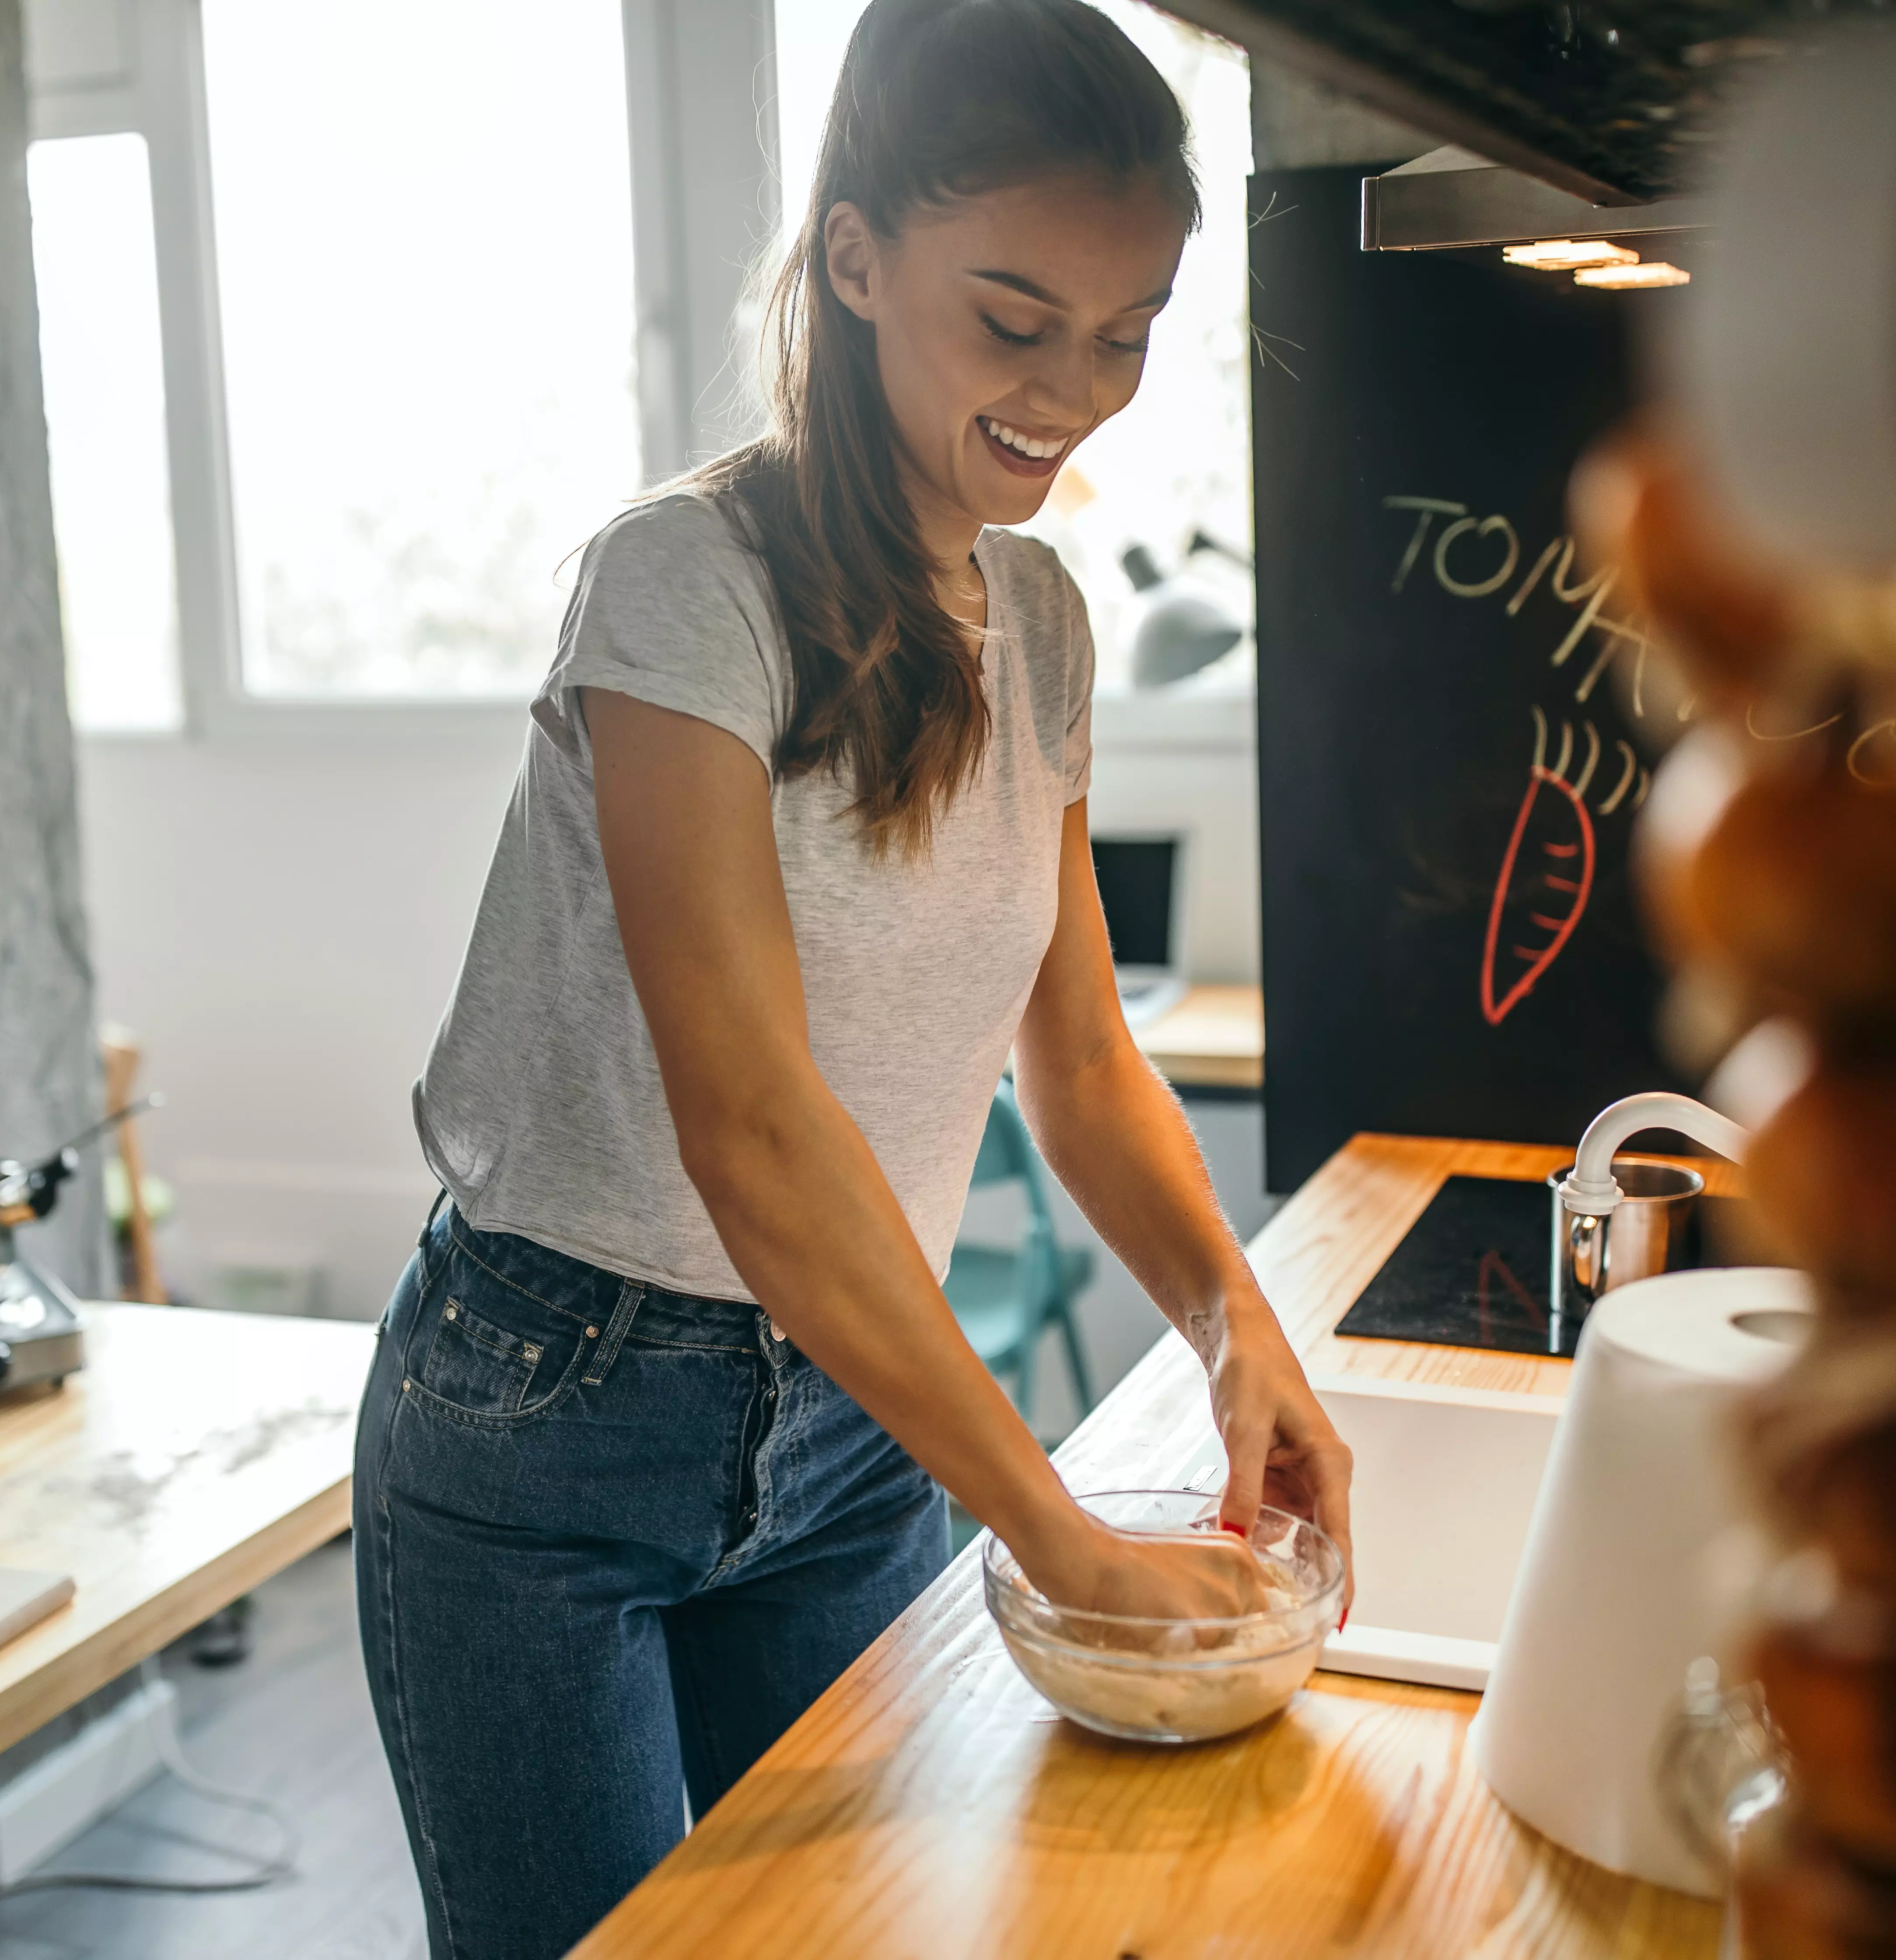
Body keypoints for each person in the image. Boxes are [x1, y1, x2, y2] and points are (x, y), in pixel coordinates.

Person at [354, 3, 1353, 1953]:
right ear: (855, 258)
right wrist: (1057, 1533)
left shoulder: (1045, 624)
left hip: (855, 1429)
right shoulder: (679, 585)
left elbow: (1080, 1059)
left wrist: (1239, 1329)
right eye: (1014, 315)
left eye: (1129, 327)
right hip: (549, 1422)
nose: (1076, 385)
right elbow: (752, 1122)